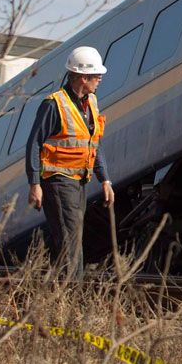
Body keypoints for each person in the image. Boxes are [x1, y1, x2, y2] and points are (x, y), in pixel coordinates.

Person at [25, 46, 114, 277]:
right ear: (83, 77)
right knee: (69, 240)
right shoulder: (54, 104)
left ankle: (61, 296)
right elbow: (34, 144)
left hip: (79, 182)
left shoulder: (91, 103)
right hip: (57, 181)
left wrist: (105, 180)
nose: (100, 79)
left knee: (72, 239)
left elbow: (93, 143)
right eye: (96, 75)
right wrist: (35, 184)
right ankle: (70, 299)